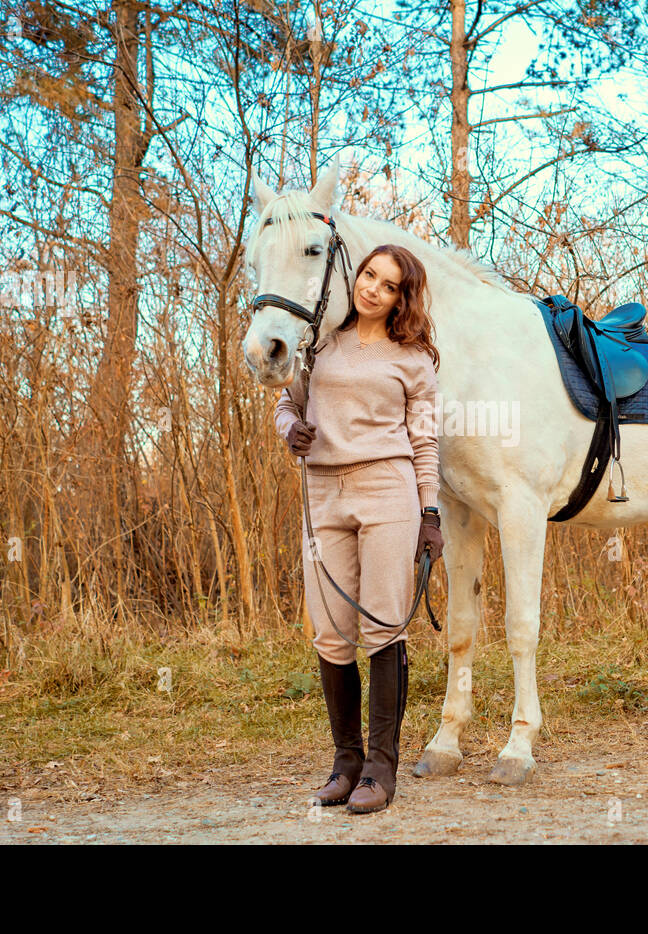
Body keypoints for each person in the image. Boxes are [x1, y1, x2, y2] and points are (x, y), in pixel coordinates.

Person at [273, 243, 443, 815]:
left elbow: (424, 440)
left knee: (382, 626)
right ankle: (345, 763)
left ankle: (380, 769)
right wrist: (290, 427)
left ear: (402, 297)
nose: (372, 288)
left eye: (388, 284)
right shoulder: (320, 340)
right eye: (369, 275)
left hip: (386, 490)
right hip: (322, 492)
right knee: (328, 630)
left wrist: (430, 512)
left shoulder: (413, 359)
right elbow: (285, 402)